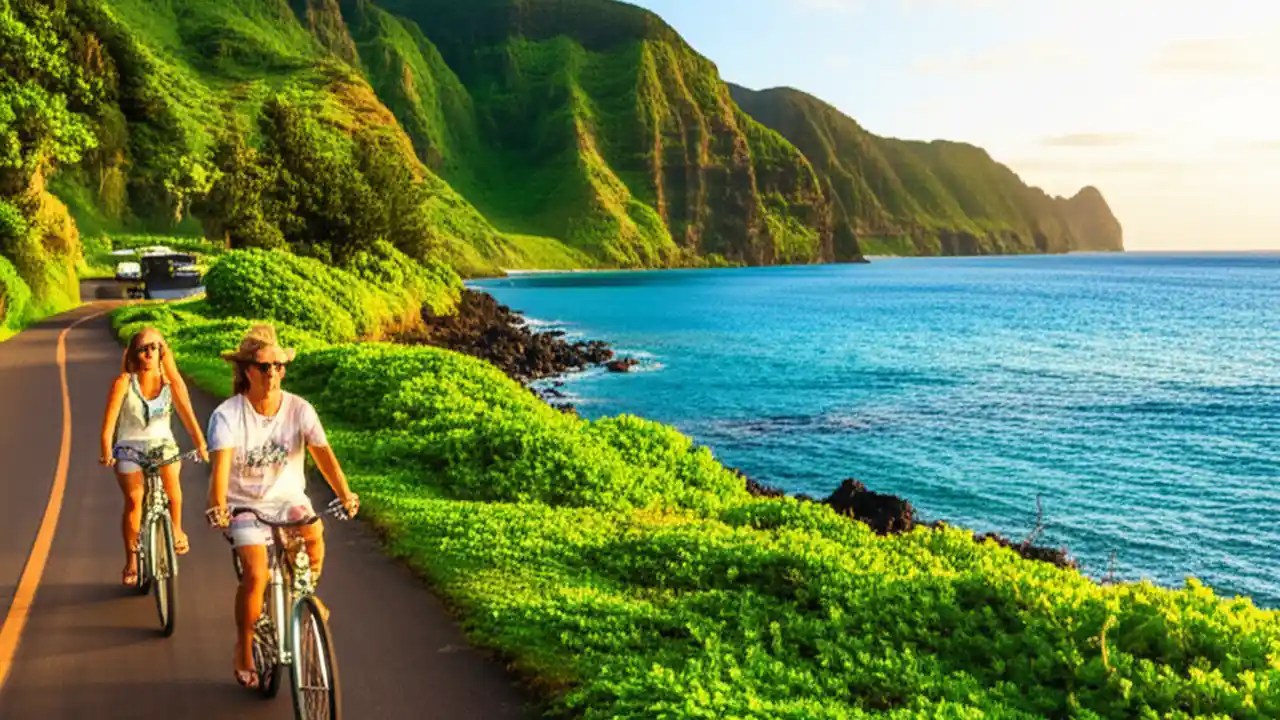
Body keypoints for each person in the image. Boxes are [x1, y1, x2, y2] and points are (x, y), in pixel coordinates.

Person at [203, 324, 359, 689]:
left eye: (277, 366)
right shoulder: (227, 416)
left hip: (289, 500)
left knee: (314, 534)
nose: (271, 373)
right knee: (256, 574)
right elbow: (220, 472)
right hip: (246, 506)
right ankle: (243, 647)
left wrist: (345, 493)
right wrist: (218, 507)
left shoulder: (300, 409)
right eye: (263, 366)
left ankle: (307, 594)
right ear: (246, 371)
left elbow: (324, 457)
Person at [99, 327, 209, 586]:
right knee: (135, 500)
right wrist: (106, 452)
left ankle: (177, 529)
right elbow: (109, 425)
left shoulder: (171, 385)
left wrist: (201, 444)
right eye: (144, 348)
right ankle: (132, 560)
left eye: (155, 347)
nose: (150, 352)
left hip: (162, 444)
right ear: (135, 354)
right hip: (129, 446)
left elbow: (187, 415)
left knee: (173, 488)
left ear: (162, 352)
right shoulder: (124, 383)